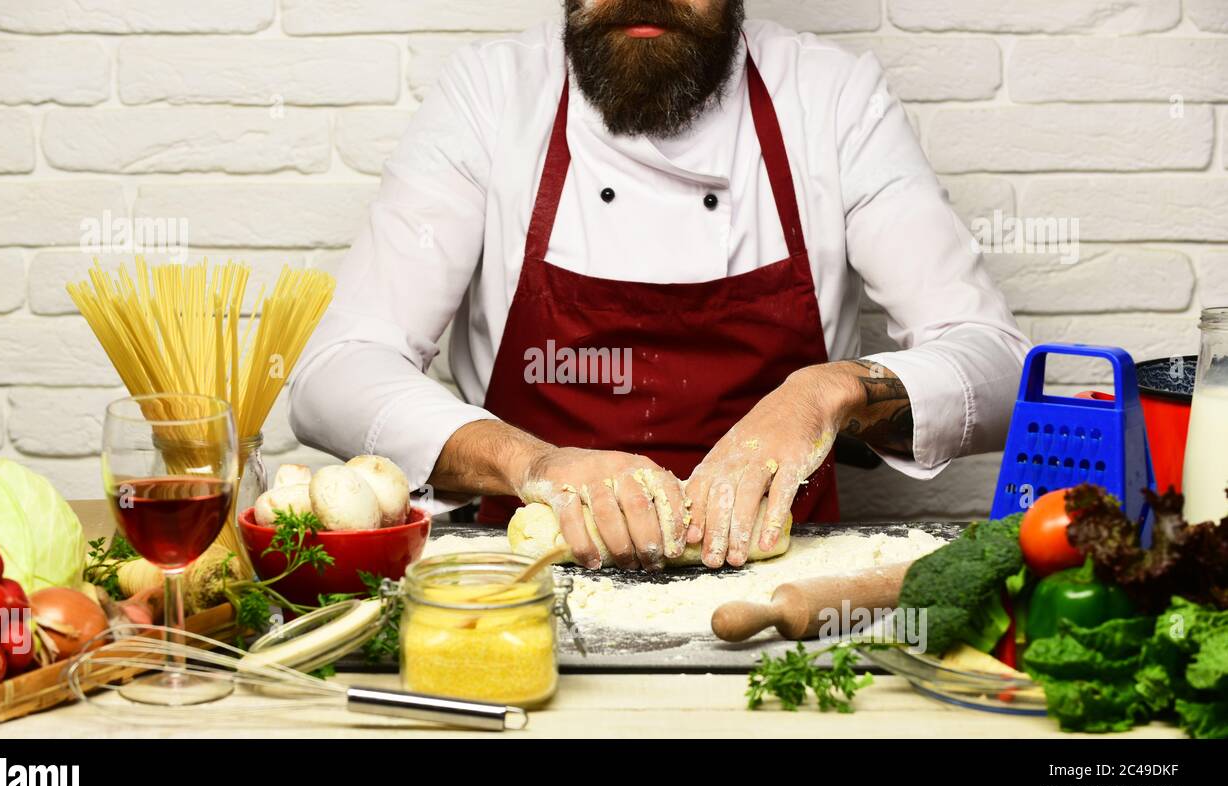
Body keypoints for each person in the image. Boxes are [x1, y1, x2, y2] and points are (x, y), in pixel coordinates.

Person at [290, 0, 1031, 572]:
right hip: (524, 589)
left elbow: (1000, 366)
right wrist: (531, 463)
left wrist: (826, 393)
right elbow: (335, 374)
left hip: (787, 585)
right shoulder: (491, 97)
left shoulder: (832, 99)